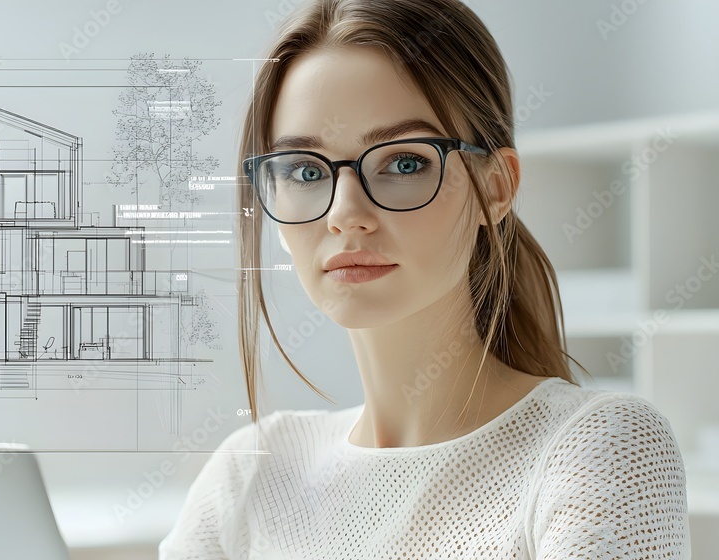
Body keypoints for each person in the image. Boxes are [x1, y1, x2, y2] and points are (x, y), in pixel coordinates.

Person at [159, 0, 691, 557]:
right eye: (305, 171)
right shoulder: (252, 476)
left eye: (404, 163)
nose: (345, 212)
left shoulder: (596, 448)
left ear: (496, 186)